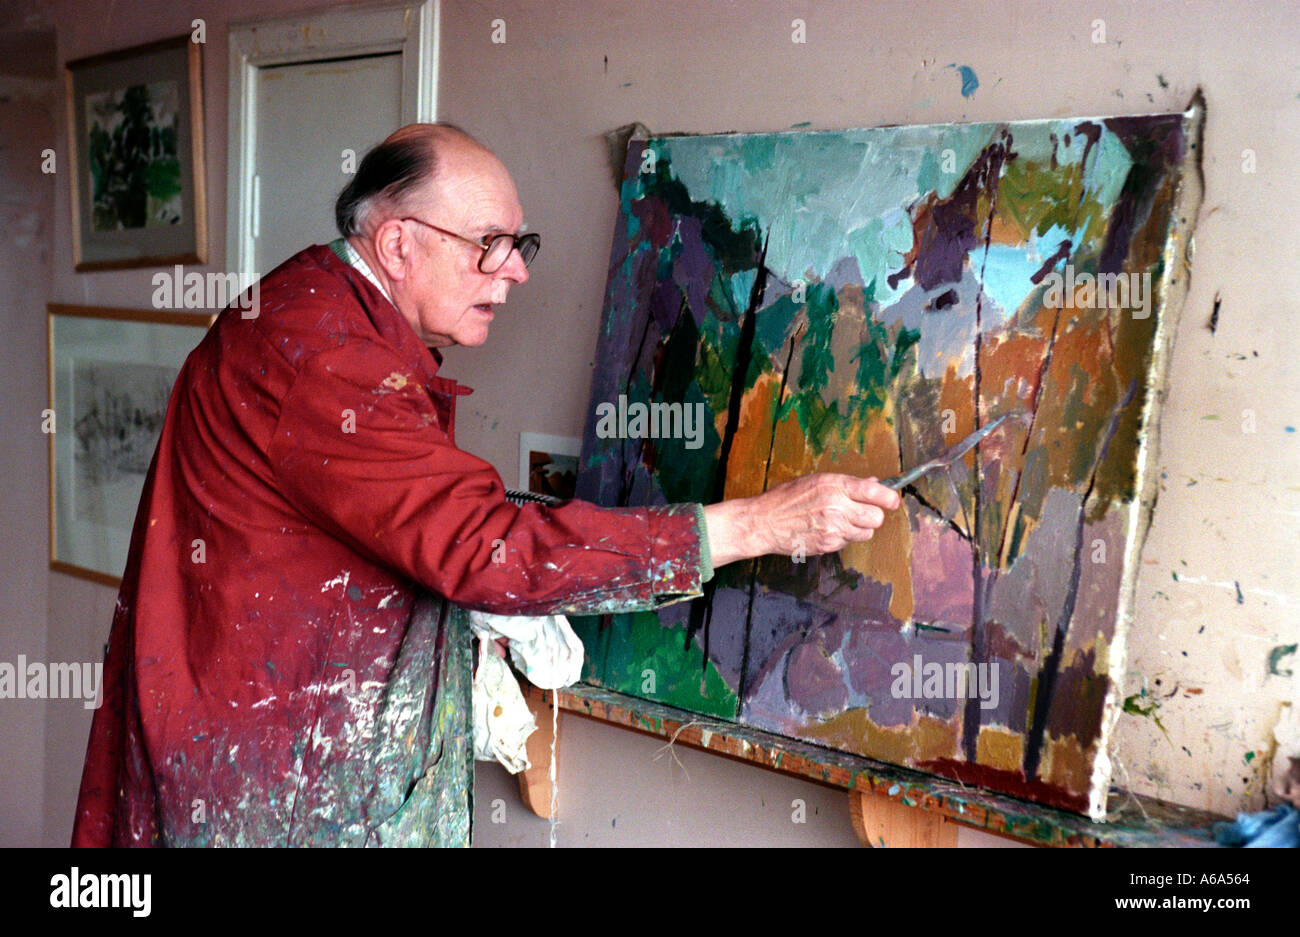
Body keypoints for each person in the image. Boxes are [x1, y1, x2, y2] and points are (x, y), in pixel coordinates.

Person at [71, 124, 901, 847]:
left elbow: (413, 519)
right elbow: (481, 546)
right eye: (489, 244)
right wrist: (759, 524)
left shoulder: (323, 308)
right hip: (280, 792)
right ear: (399, 245)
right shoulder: (324, 357)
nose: (516, 273)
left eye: (520, 245)